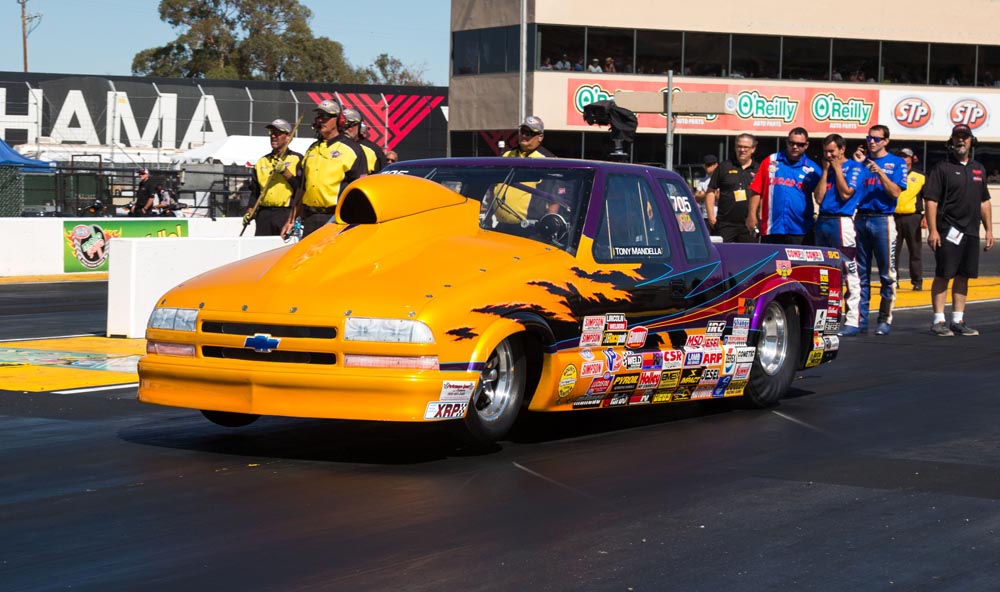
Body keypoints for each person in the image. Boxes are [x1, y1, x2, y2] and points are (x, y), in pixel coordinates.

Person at [924, 124, 995, 336]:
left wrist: (989, 230)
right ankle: (938, 320)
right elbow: (931, 201)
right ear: (951, 141)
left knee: (964, 275)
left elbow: (984, 202)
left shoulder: (978, 169)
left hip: (971, 231)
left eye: (964, 137)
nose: (960, 141)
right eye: (957, 137)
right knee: (944, 274)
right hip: (948, 230)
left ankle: (958, 320)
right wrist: (933, 230)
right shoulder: (942, 168)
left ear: (971, 141)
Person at [851, 124, 907, 336]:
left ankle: (884, 319)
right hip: (861, 217)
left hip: (883, 220)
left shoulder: (897, 163)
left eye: (876, 138)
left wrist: (881, 172)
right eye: (869, 138)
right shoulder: (860, 163)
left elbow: (895, 193)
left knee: (887, 273)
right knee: (859, 274)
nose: (872, 142)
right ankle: (860, 320)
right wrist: (856, 164)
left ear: (886, 141)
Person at [284, 100, 367, 238]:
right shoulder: (312, 149)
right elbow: (301, 188)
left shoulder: (353, 149)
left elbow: (359, 190)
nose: (321, 120)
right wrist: (291, 220)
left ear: (339, 120)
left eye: (326, 116)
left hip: (336, 219)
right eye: (319, 116)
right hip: (309, 218)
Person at [812, 134, 867, 336]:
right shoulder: (825, 170)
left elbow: (846, 193)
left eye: (832, 151)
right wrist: (826, 172)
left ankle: (853, 319)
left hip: (842, 222)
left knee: (848, 269)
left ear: (842, 149)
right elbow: (818, 198)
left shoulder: (855, 168)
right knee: (824, 271)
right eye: (826, 151)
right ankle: (829, 317)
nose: (828, 155)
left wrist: (837, 168)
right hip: (823, 221)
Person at [746, 127, 821, 244]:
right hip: (772, 227)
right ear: (787, 142)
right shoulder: (770, 161)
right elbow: (756, 190)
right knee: (771, 261)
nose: (795, 147)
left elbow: (821, 197)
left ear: (806, 145)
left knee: (798, 263)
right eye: (792, 143)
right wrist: (751, 215)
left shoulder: (813, 169)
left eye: (800, 144)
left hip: (800, 229)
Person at [244, 118, 303, 236]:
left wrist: (286, 172)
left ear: (288, 137)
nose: (273, 136)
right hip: (264, 214)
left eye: (277, 133)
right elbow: (255, 192)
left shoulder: (297, 159)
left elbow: (301, 188)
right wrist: (250, 210)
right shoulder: (262, 161)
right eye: (271, 133)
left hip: (285, 213)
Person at [706, 134, 759, 243]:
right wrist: (711, 217)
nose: (742, 150)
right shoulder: (724, 166)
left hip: (748, 224)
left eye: (746, 147)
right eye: (739, 146)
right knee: (722, 257)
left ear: (753, 149)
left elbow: (763, 196)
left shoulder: (759, 169)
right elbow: (710, 192)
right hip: (725, 224)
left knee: (751, 258)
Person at [893, 148, 925, 291]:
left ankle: (917, 281)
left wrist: (925, 218)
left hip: (913, 217)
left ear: (912, 159)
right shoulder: (892, 174)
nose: (904, 159)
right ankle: (894, 280)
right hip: (894, 217)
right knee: (893, 251)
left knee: (915, 251)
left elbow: (929, 198)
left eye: (906, 157)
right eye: (901, 156)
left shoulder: (921, 176)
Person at [693, 154, 718, 221]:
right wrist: (712, 193)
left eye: (709, 165)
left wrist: (704, 193)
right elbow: (697, 196)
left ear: (716, 165)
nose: (707, 167)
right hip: (705, 216)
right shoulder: (702, 180)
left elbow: (720, 196)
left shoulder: (721, 179)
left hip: (718, 215)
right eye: (705, 165)